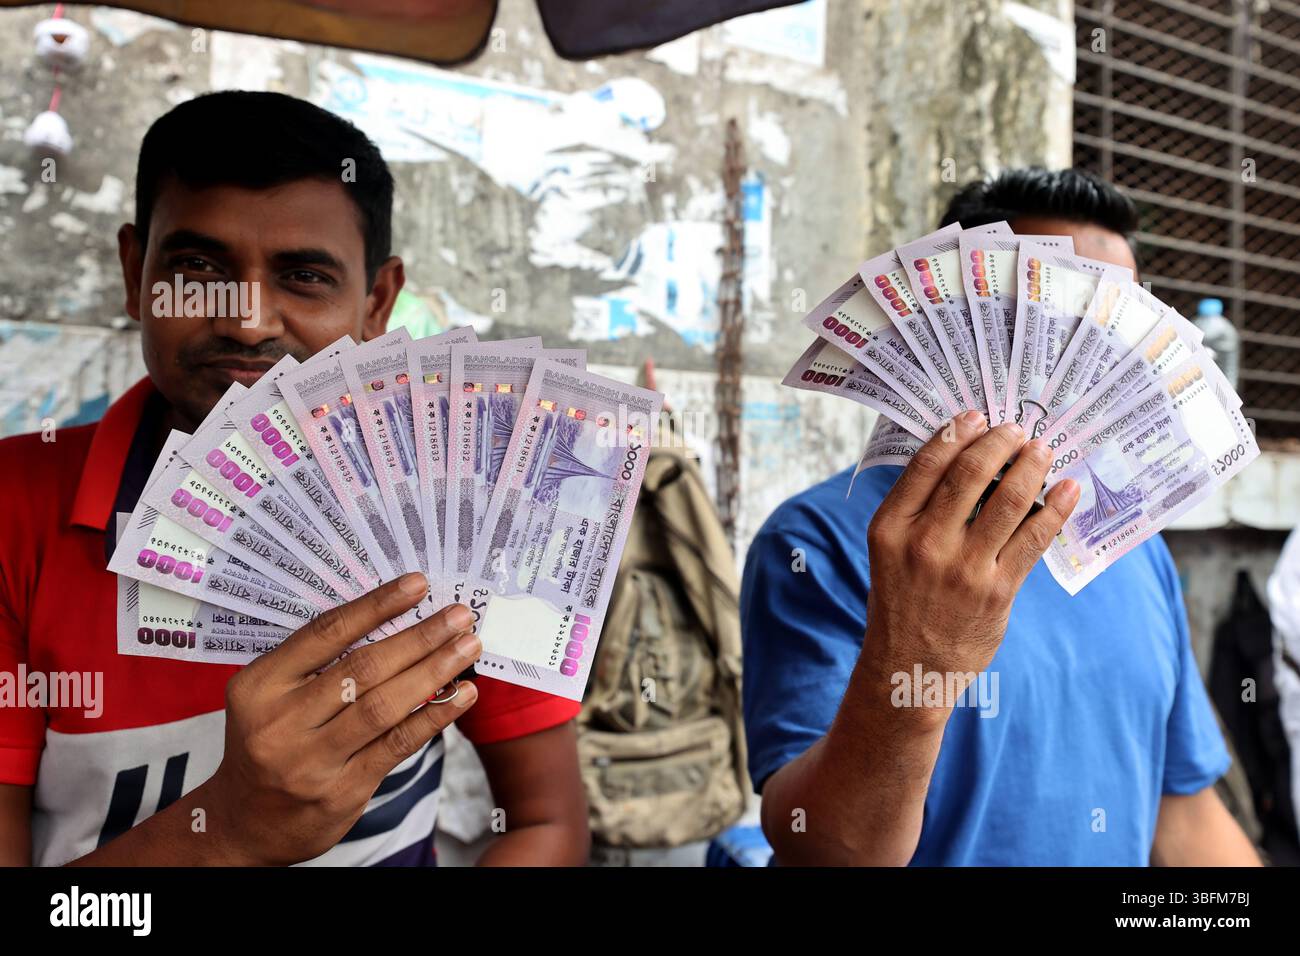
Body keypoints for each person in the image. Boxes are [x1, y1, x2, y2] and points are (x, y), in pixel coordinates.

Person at [0, 91, 590, 867]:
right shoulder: (16, 506)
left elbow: (548, 825)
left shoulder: (460, 517)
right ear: (134, 272)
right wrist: (232, 830)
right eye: (199, 268)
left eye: (304, 275)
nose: (248, 321)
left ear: (376, 301)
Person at [741, 167, 1261, 866]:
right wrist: (920, 665)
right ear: (959, 317)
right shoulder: (817, 542)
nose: (1101, 357)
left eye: (1123, 323)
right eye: (1066, 320)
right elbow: (825, 848)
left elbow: (1184, 812)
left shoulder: (1134, 549)